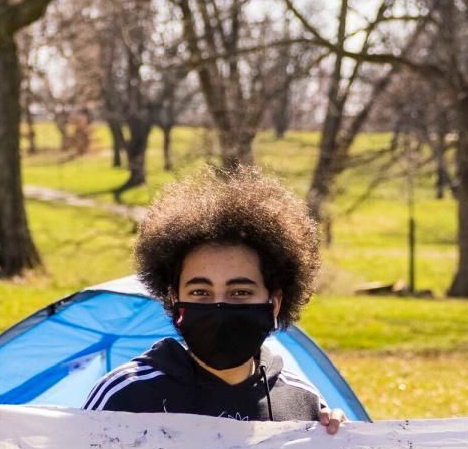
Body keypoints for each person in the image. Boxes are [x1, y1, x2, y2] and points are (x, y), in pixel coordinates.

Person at [83, 168, 342, 425]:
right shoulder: (125, 397)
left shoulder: (302, 402)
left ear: (274, 304)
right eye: (200, 292)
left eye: (240, 292)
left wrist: (336, 438)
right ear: (173, 299)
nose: (220, 308)